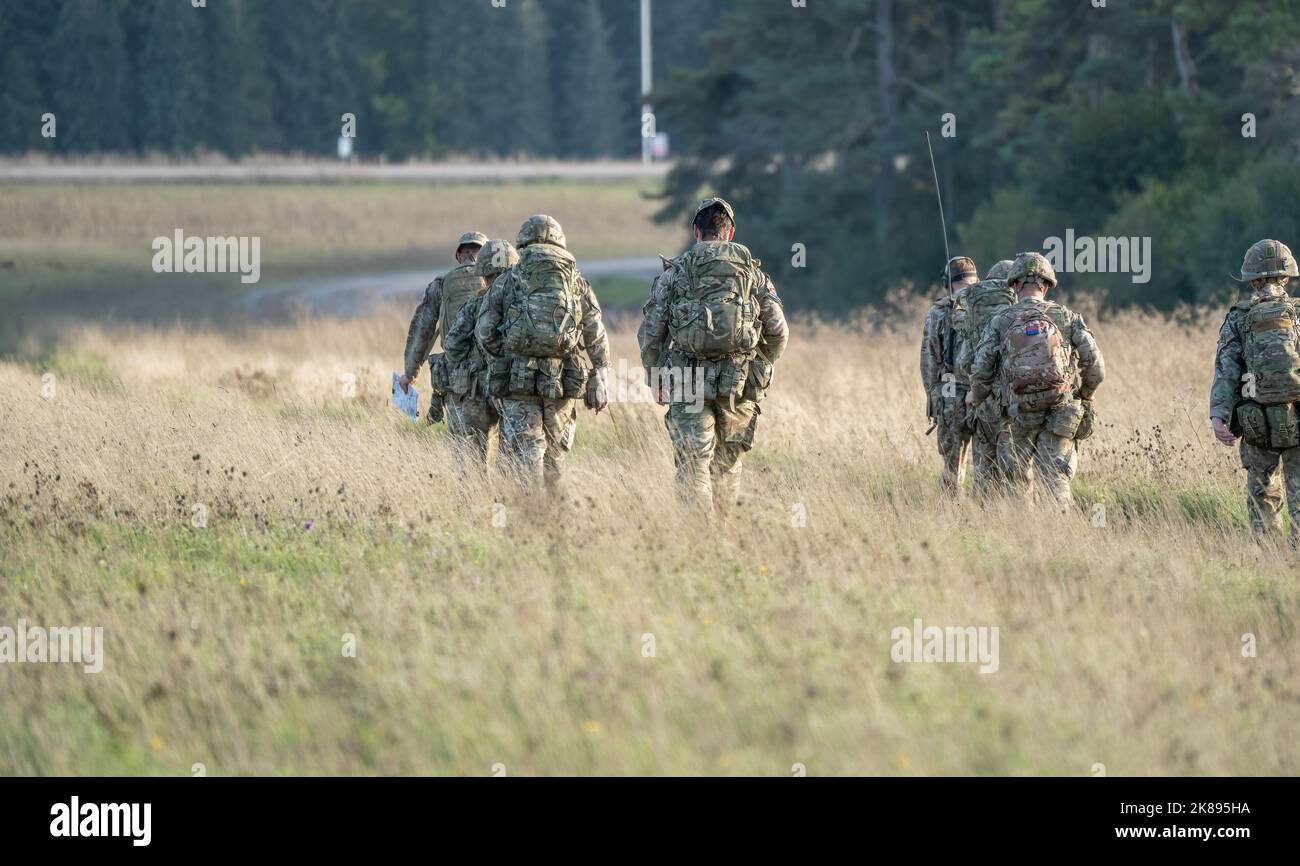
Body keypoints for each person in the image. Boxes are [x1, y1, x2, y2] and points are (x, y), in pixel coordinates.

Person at [638, 197, 788, 520]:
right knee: (727, 468)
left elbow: (651, 333)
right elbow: (779, 333)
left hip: (688, 384)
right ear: (730, 232)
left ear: (696, 231)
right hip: (739, 385)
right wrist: (760, 366)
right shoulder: (753, 274)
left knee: (693, 466)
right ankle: (724, 539)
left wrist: (655, 378)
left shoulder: (675, 273)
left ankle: (699, 542)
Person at [475, 215, 610, 493]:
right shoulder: (575, 280)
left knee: (527, 450)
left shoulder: (509, 278)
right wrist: (601, 371)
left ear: (522, 243)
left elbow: (485, 330)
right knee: (556, 453)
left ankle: (528, 513)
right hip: (563, 380)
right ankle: (554, 515)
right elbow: (594, 329)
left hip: (517, 380)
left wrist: (508, 354)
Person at [967, 252, 1105, 509]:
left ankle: (1026, 539)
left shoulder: (1000, 321)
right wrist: (1085, 394)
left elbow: (982, 369)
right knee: (1055, 478)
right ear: (1046, 285)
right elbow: (1096, 367)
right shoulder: (1067, 318)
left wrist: (976, 396)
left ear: (1015, 285)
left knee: (1017, 480)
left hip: (1018, 414)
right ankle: (1063, 535)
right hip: (1060, 410)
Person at [1208, 239, 1300, 539]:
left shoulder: (1238, 316)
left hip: (1256, 420)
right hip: (1297, 414)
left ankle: (1269, 558)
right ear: (1286, 277)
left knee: (1263, 495)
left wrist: (1219, 416)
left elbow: (1226, 370)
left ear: (1251, 279)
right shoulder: (1297, 313)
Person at [441, 239, 520, 466]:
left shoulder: (478, 300)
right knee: (513, 451)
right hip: (516, 386)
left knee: (475, 454)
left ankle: (479, 494)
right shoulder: (522, 299)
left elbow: (453, 344)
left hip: (478, 385)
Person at [400, 231, 489, 428]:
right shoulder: (496, 281)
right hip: (492, 372)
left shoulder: (442, 284)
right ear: (485, 255)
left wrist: (410, 372)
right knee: (492, 441)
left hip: (456, 375)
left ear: (459, 255)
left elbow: (422, 330)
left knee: (461, 442)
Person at [921, 256, 981, 493]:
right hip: (983, 394)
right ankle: (990, 514)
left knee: (952, 468)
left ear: (947, 283)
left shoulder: (937, 311)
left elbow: (928, 361)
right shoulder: (989, 307)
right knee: (987, 465)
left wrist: (932, 399)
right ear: (977, 279)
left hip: (949, 394)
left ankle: (950, 514)